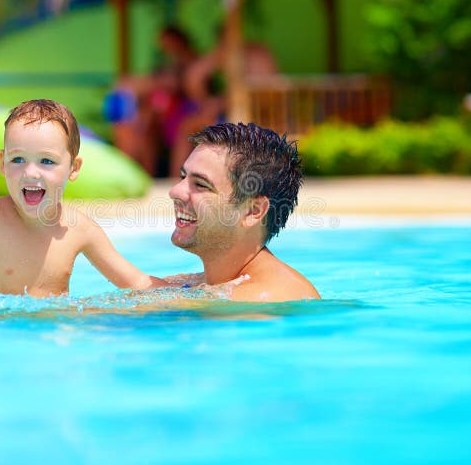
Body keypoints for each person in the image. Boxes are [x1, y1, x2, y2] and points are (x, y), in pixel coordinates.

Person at [0, 99, 167, 302]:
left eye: (46, 161)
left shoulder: (80, 230)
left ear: (74, 168)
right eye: (18, 159)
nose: (30, 172)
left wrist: (186, 295)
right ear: (2, 162)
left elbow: (135, 282)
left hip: (50, 335)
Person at [168, 122, 320, 302]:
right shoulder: (203, 283)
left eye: (201, 184)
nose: (175, 192)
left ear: (252, 211)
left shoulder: (275, 295)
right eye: (183, 177)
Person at [169, 38, 278, 177]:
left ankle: (179, 179)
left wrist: (220, 103)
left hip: (253, 120)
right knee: (187, 126)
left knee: (190, 127)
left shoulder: (253, 55)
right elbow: (193, 79)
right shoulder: (234, 56)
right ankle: (179, 179)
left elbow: (261, 94)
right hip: (233, 116)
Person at [104, 25, 198, 175]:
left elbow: (179, 85)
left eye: (167, 43)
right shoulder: (170, 65)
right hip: (163, 114)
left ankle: (134, 171)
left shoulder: (189, 63)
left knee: (129, 97)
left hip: (180, 114)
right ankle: (137, 171)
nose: (164, 48)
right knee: (140, 122)